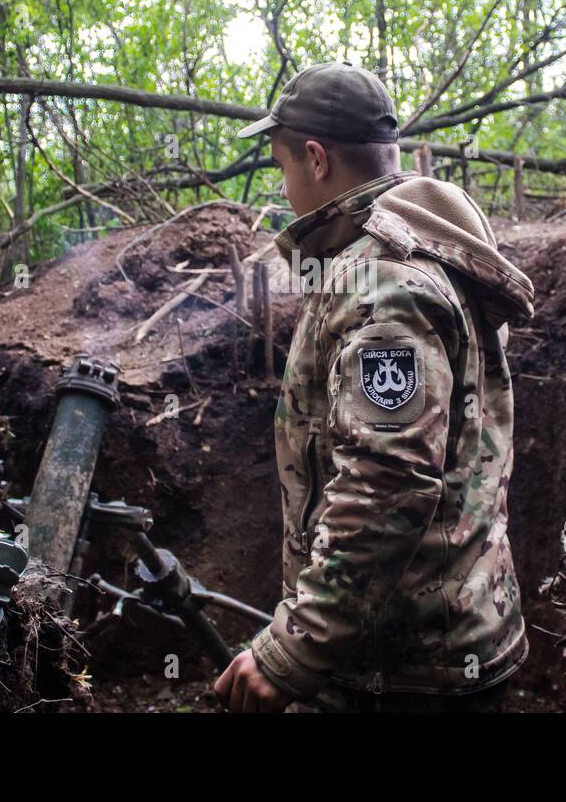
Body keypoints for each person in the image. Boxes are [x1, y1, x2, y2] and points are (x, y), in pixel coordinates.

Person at [213, 61, 535, 713]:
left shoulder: (383, 283)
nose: (285, 187)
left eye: (282, 168)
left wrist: (296, 649)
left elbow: (387, 483)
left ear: (315, 158)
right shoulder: (424, 249)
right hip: (441, 645)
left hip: (406, 673)